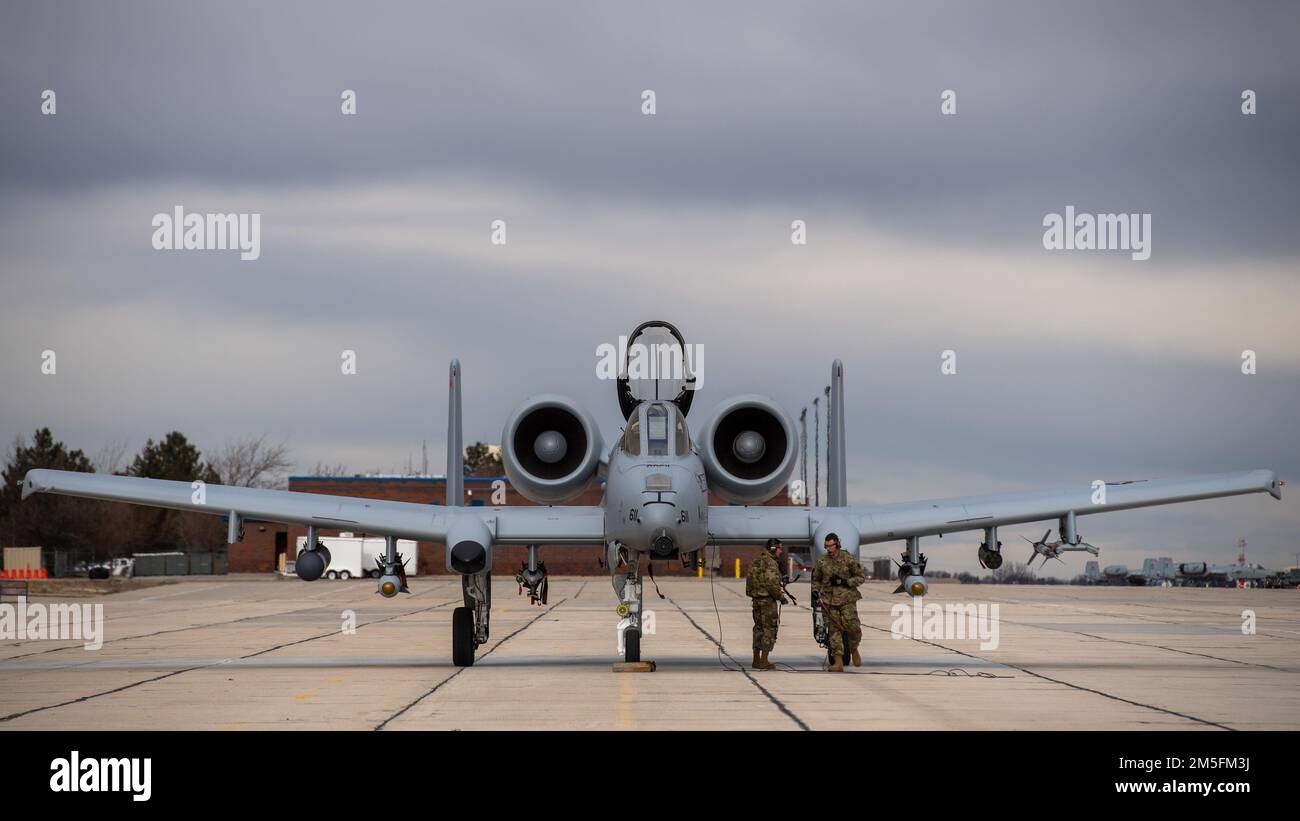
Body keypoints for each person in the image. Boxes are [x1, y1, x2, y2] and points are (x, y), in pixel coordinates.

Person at [812, 532, 864, 672]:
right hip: (829, 600)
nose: (829, 548)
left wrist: (845, 581)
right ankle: (838, 661)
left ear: (837, 544)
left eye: (831, 546)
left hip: (847, 599)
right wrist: (815, 590)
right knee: (834, 631)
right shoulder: (822, 561)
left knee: (853, 627)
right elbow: (816, 578)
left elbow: (860, 577)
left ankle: (854, 648)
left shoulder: (848, 559)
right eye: (826, 546)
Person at [745, 538, 787, 670]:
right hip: (767, 602)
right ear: (774, 549)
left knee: (758, 628)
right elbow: (771, 584)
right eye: (780, 549)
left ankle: (756, 660)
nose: (781, 552)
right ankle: (764, 661)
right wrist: (781, 597)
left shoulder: (756, 561)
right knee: (769, 629)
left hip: (756, 600)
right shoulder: (771, 563)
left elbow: (749, 581)